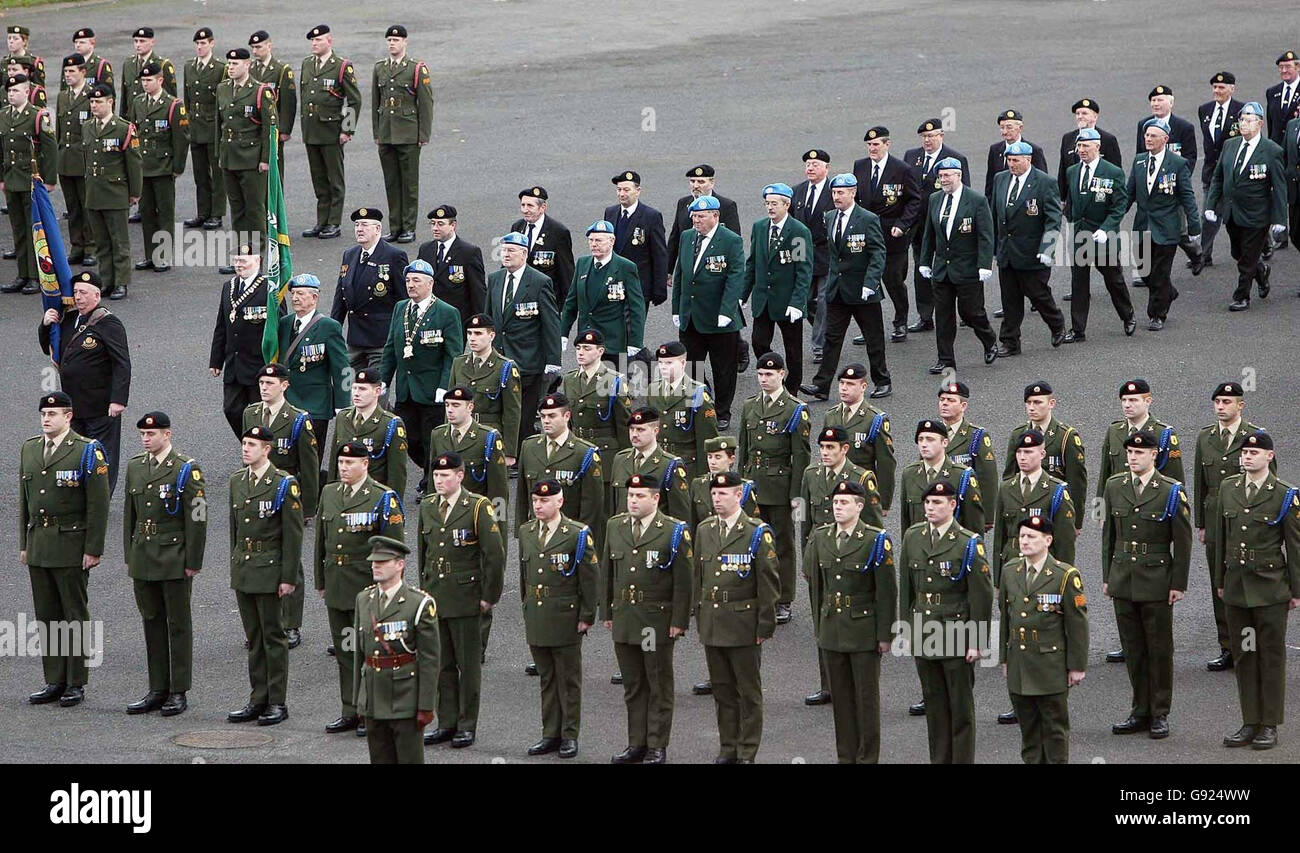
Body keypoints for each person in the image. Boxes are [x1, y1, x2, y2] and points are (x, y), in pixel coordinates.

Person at [20, 392, 110, 708]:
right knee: (47, 616)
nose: (47, 419)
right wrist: (24, 544)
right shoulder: (30, 449)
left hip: (71, 544)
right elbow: (25, 501)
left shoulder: (86, 452)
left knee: (73, 615)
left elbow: (99, 505)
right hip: (40, 544)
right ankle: (54, 680)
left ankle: (75, 682)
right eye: (44, 413)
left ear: (68, 417)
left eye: (53, 414)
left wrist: (93, 548)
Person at [1212, 431, 1300, 751]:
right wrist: (1220, 580)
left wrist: (1296, 590)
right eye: (1244, 452)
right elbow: (1222, 537)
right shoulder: (1228, 488)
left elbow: (1295, 546)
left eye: (1254, 452)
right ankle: (1249, 720)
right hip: (1237, 588)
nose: (1247, 456)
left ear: (1270, 457)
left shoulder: (1284, 495)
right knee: (1245, 656)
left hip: (1270, 589)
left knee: (1271, 657)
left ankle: (1269, 724)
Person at [1102, 429, 1192, 740]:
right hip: (1123, 578)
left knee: (1159, 648)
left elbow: (1182, 541)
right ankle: (1139, 709)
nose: (1133, 457)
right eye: (1129, 453)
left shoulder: (1169, 490)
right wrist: (1107, 577)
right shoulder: (1115, 486)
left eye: (1139, 453)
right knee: (1134, 648)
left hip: (1156, 578)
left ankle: (1160, 712)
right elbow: (1109, 538)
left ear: (1154, 455)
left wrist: (1178, 583)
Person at [600, 473, 693, 764]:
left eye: (640, 496)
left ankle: (656, 744)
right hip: (625, 617)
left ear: (655, 498)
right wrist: (607, 612)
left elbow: (683, 581)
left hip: (655, 621)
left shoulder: (673, 530)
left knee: (657, 683)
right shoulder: (615, 526)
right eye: (630, 496)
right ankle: (635, 743)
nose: (633, 501)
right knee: (633, 685)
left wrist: (679, 620)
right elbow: (607, 573)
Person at [899, 480, 993, 763]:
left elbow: (981, 596)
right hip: (924, 632)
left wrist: (977, 641)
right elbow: (907, 588)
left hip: (955, 633)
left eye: (937, 503)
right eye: (927, 502)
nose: (930, 508)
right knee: (935, 707)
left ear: (952, 505)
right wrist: (905, 629)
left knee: (960, 709)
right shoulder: (913, 537)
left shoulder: (967, 543)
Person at [315, 441, 405, 736]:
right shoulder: (329, 493)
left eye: (350, 463)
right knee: (345, 650)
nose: (343, 468)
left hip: (367, 585)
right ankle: (349, 709)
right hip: (338, 583)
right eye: (340, 462)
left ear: (365, 464)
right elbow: (321, 541)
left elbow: (392, 549)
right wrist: (321, 580)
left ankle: (372, 711)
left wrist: (387, 589)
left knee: (371, 653)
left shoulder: (381, 498)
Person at [804, 480, 895, 762]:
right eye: (835, 502)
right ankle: (846, 757)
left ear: (859, 506)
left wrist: (885, 635)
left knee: (866, 701)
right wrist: (820, 628)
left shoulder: (875, 540)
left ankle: (867, 758)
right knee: (841, 702)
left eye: (845, 502)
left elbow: (886, 591)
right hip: (833, 628)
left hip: (863, 630)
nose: (838, 507)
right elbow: (816, 587)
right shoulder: (821, 537)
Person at [418, 452, 505, 749]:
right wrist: (424, 591)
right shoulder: (428, 505)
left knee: (468, 667)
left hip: (467, 596)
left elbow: (494, 556)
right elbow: (424, 553)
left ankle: (467, 725)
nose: (439, 481)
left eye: (445, 476)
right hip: (437, 595)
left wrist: (488, 597)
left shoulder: (477, 507)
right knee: (442, 664)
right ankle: (446, 721)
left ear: (460, 476)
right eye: (436, 476)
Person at [122, 411, 205, 718]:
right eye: (143, 435)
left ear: (167, 435)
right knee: (151, 621)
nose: (146, 439)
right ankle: (157, 688)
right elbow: (130, 515)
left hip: (174, 555)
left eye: (152, 435)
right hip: (144, 554)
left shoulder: (185, 470)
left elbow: (197, 517)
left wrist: (193, 560)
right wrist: (130, 554)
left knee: (177, 624)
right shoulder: (135, 466)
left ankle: (178, 690)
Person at [694, 471, 780, 763]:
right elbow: (699, 577)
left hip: (744, 622)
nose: (717, 499)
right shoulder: (705, 529)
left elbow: (768, 583)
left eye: (723, 494)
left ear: (739, 495)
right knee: (722, 690)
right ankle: (728, 746)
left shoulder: (756, 532)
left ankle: (746, 750)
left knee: (747, 692)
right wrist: (699, 615)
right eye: (714, 494)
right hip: (713, 621)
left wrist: (765, 624)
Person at [798, 426, 883, 705]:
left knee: (851, 616)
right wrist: (806, 557)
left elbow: (873, 527)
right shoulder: (810, 475)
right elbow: (806, 521)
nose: (824, 453)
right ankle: (829, 684)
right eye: (822, 447)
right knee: (823, 618)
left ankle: (854, 682)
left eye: (831, 448)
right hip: (820, 554)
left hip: (851, 559)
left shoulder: (860, 478)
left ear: (845, 449)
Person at [226, 425, 305, 727]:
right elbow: (235, 529)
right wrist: (235, 566)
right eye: (244, 443)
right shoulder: (237, 481)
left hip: (271, 570)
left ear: (267, 449)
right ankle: (257, 698)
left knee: (274, 637)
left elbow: (292, 535)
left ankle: (276, 701)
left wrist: (288, 578)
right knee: (254, 637)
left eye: (252, 445)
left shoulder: (283, 484)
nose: (245, 449)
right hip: (246, 569)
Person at [998, 515, 1088, 763]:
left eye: (1031, 537)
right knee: (1029, 733)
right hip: (1020, 664)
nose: (1024, 542)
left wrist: (1077, 666)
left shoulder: (1065, 576)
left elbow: (1077, 624)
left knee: (1054, 731)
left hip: (1051, 665)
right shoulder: (1009, 571)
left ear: (1047, 540)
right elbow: (1006, 617)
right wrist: (1004, 658)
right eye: (1022, 536)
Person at [242, 364, 319, 650]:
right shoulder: (251, 413)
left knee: (289, 560)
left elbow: (309, 465)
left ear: (284, 386)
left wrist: (309, 506)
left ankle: (290, 624)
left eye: (270, 383)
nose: (264, 387)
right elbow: (247, 457)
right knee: (259, 557)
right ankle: (264, 624)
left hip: (287, 493)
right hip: (257, 494)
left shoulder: (298, 419)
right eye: (261, 382)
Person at [520, 479, 598, 759]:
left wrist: (587, 615)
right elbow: (524, 576)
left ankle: (569, 734)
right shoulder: (527, 531)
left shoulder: (576, 534)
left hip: (565, 615)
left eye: (544, 501)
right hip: (538, 615)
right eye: (535, 501)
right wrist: (526, 606)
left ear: (559, 502)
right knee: (546, 678)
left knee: (568, 679)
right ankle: (550, 733)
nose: (538, 506)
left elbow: (589, 579)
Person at [1193, 382, 1269, 672]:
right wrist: (1201, 523)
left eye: (1227, 401)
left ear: (1240, 405)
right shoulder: (1205, 437)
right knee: (1219, 585)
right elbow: (1201, 482)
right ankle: (1228, 647)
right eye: (1218, 402)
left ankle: (1251, 646)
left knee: (1249, 583)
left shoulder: (1255, 437)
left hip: (1247, 523)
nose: (1221, 406)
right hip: (1215, 521)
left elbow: (1268, 486)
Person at [801, 173, 891, 400]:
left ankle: (882, 381)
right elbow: (835, 254)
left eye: (841, 192)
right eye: (834, 192)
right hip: (838, 290)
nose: (836, 196)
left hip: (863, 291)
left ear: (853, 192)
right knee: (832, 340)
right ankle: (821, 386)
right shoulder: (830, 216)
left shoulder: (867, 218)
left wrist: (871, 283)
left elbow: (877, 252)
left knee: (874, 339)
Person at [39, 271, 131, 494]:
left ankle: (101, 499)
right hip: (73, 405)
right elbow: (49, 348)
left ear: (97, 295)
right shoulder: (69, 320)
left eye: (83, 292)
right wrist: (45, 326)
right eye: (76, 292)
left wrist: (118, 400)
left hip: (100, 405)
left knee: (101, 456)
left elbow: (122, 364)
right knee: (76, 453)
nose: (78, 297)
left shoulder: (109, 324)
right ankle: (80, 497)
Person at [378, 259, 465, 495]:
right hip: (406, 389)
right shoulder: (400, 308)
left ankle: (431, 484)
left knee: (431, 440)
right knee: (410, 439)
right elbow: (390, 348)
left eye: (416, 280)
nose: (411, 285)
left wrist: (444, 386)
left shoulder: (447, 313)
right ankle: (430, 473)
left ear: (430, 283)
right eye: (408, 280)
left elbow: (453, 354)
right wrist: (383, 380)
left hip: (432, 389)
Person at [353, 535, 438, 764]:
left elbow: (430, 660)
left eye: (382, 562)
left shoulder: (418, 604)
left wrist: (426, 706)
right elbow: (360, 656)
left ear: (400, 565)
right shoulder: (364, 599)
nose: (375, 566)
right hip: (374, 696)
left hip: (405, 698)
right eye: (373, 562)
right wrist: (359, 700)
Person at [739, 353, 811, 626]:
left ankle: (783, 599)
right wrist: (741, 485)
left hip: (780, 486)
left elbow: (801, 455)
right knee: (754, 542)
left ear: (782, 374)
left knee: (781, 544)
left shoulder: (794, 409)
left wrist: (797, 494)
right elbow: (743, 447)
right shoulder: (750, 406)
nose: (763, 379)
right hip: (755, 484)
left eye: (769, 374)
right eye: (760, 374)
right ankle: (760, 594)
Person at [917, 158, 999, 372]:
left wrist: (985, 264)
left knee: (972, 313)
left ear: (958, 175)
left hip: (968, 268)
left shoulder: (976, 200)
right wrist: (925, 261)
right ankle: (945, 359)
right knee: (943, 317)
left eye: (947, 175)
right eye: (941, 176)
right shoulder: (935, 199)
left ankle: (989, 340)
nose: (943, 179)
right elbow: (929, 233)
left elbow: (986, 236)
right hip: (942, 270)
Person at [1205, 102, 1287, 311]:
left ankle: (1242, 296)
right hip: (1232, 212)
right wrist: (1211, 205)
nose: (1244, 124)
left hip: (1257, 214)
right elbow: (1218, 177)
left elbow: (1278, 187)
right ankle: (1261, 272)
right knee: (1238, 253)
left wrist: (1279, 220)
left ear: (1259, 123)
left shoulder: (1271, 150)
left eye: (1249, 120)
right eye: (1242, 120)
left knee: (1247, 258)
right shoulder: (1230, 145)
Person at [672, 194, 746, 428]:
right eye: (694, 216)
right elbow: (681, 274)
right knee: (693, 366)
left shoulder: (730, 240)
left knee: (724, 368)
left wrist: (727, 310)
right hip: (691, 316)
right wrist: (677, 308)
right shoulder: (687, 237)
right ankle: (702, 403)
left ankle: (723, 412)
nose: (696, 221)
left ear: (715, 216)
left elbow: (735, 277)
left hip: (719, 318)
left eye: (701, 216)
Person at [991, 141, 1066, 354]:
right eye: (1008, 160)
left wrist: (1048, 248)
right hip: (1007, 250)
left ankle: (1057, 324)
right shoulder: (1001, 179)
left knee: (1037, 294)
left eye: (1015, 160)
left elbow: (1053, 218)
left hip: (1033, 251)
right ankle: (1010, 341)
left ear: (1028, 159)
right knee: (1010, 298)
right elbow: (995, 214)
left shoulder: (1045, 182)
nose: (1011, 164)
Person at [486, 231, 561, 443]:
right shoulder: (495, 279)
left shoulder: (539, 281)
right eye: (503, 250)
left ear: (524, 253)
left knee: (523, 416)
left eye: (511, 250)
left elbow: (551, 324)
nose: (505, 254)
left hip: (528, 361)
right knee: (500, 411)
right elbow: (489, 319)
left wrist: (553, 361)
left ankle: (520, 456)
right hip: (499, 359)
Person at [1126, 118, 1201, 330]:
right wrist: (1113, 216)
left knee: (1160, 273)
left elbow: (1187, 196)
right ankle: (1168, 292)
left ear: (1165, 139)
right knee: (1143, 269)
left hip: (1167, 227)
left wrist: (1194, 226)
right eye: (1146, 135)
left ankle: (1157, 314)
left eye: (1153, 136)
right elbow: (1129, 192)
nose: (1148, 139)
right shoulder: (1139, 161)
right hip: (1143, 226)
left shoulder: (1177, 164)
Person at [1062, 127, 1134, 342]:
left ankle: (1128, 316)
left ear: (1097, 146)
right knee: (1079, 284)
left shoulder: (1112, 172)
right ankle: (1078, 329)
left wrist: (1106, 228)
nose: (1081, 150)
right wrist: (1072, 221)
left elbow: (1119, 206)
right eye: (1079, 146)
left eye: (1085, 145)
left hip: (1104, 236)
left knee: (1114, 280)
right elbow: (1072, 201)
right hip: (1080, 237)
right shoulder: (1073, 171)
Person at [853, 127, 922, 340]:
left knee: (893, 280)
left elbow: (914, 200)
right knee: (866, 281)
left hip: (893, 236)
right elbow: (855, 197)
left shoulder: (902, 169)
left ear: (887, 144)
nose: (872, 149)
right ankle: (870, 329)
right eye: (869, 145)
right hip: (867, 235)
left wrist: (903, 225)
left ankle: (900, 322)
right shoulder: (860, 166)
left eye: (876, 144)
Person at [743, 183, 812, 391]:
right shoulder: (760, 227)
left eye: (774, 203)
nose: (770, 208)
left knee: (793, 349)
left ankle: (792, 387)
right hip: (764, 300)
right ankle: (774, 375)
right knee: (758, 342)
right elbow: (753, 263)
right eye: (767, 203)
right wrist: (742, 294)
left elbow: (803, 270)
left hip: (787, 301)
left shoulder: (798, 231)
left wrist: (797, 303)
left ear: (787, 204)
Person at [516, 392, 606, 552]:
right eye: (543, 416)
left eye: (552, 416)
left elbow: (592, 506)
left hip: (569, 536)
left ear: (566, 416)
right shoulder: (529, 447)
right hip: (537, 534)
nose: (546, 421)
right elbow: (522, 495)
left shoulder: (584, 453)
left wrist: (583, 538)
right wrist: (522, 530)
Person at [903, 120, 970, 334]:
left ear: (942, 136)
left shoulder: (956, 159)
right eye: (924, 137)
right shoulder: (912, 157)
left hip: (945, 225)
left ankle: (966, 313)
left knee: (954, 269)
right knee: (921, 269)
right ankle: (925, 316)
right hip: (919, 225)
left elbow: (965, 196)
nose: (927, 140)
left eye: (931, 136)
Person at [210, 245, 281, 439]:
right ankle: (250, 442)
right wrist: (216, 360)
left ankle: (260, 448)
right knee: (231, 409)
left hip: (258, 363)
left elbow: (279, 327)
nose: (238, 265)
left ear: (257, 261)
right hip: (234, 363)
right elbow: (222, 325)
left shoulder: (269, 288)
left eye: (243, 261)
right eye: (236, 260)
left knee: (260, 413)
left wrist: (277, 362)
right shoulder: (229, 286)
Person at [991, 430, 1077, 586]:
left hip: (1045, 571)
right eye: (1019, 452)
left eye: (1029, 452)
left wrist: (1064, 580)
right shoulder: (1006, 488)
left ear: (1042, 453)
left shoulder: (1055, 491)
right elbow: (1000, 538)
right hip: (1012, 568)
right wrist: (998, 580)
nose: (1022, 457)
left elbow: (1065, 542)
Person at [299, 25, 361, 240]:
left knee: (334, 179)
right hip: (312, 131)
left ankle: (333, 222)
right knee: (319, 180)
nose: (315, 44)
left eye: (319, 40)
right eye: (313, 41)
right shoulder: (307, 64)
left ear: (329, 41)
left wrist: (348, 129)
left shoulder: (342, 66)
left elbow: (354, 100)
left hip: (331, 130)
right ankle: (321, 221)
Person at [372, 25, 431, 243]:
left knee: (409, 183)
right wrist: (377, 132)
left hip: (408, 133)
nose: (392, 44)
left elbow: (425, 103)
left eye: (396, 40)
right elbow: (376, 102)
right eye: (389, 40)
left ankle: (408, 227)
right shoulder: (380, 68)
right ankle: (395, 226)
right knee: (392, 182)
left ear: (405, 42)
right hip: (387, 133)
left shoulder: (415, 69)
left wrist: (423, 133)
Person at [215, 47, 276, 259]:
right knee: (237, 208)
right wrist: (219, 154)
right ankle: (241, 254)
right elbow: (219, 125)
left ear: (247, 65)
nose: (231, 68)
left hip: (251, 159)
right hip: (229, 157)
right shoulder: (223, 89)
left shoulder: (260, 91)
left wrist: (266, 159)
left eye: (235, 64)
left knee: (255, 208)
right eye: (229, 64)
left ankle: (257, 254)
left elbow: (269, 128)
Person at [81, 82, 140, 299]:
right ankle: (106, 280)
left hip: (115, 193)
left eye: (98, 102)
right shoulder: (87, 127)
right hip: (94, 192)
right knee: (102, 242)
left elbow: (134, 163)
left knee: (119, 241)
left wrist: (134, 193)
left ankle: (121, 282)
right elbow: (86, 160)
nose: (94, 106)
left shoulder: (123, 128)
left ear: (110, 102)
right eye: (92, 102)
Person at [332, 207, 410, 370]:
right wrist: (333, 329)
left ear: (378, 229)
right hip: (355, 340)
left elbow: (404, 299)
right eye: (357, 225)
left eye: (365, 225)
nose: (359, 229)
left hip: (380, 339)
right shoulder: (350, 254)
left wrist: (403, 335)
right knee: (354, 390)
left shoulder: (394, 256)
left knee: (374, 390)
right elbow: (341, 296)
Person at [1, 72, 56, 294]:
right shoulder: (4, 115)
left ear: (27, 92)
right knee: (18, 229)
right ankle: (22, 274)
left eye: (16, 91)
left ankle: (36, 275)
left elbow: (50, 149)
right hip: (12, 179)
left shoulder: (38, 116)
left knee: (34, 229)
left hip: (31, 180)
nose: (12, 94)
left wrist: (49, 179)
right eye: (9, 91)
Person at [131, 61, 189, 272]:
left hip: (163, 166)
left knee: (164, 212)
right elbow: (134, 133)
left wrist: (177, 167)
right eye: (143, 80)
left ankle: (163, 256)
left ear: (160, 80)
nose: (145, 84)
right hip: (143, 167)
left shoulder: (172, 104)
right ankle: (150, 254)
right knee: (146, 212)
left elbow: (181, 139)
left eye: (149, 80)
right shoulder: (138, 102)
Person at [278, 273, 348, 441]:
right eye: (293, 293)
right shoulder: (285, 323)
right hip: (287, 402)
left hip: (315, 404)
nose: (295, 298)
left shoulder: (328, 327)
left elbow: (343, 369)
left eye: (301, 294)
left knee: (312, 458)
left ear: (314, 297)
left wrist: (343, 405)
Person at [561, 221, 645, 358]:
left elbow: (636, 308)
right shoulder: (583, 263)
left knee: (612, 379)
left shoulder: (626, 267)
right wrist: (562, 333)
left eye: (598, 240)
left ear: (612, 241)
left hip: (613, 344)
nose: (594, 244)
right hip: (586, 342)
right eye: (591, 240)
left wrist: (635, 342)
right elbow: (571, 302)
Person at [448, 314, 522, 468]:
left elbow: (512, 412)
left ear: (492, 336)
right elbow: (450, 405)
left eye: (478, 333)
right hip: (461, 433)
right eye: (469, 333)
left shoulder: (505, 367)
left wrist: (509, 451)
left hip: (490, 436)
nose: (472, 338)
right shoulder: (459, 363)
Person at [821, 363, 896, 512]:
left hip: (861, 492)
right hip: (833, 491)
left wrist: (884, 501)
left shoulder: (874, 420)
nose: (844, 388)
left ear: (863, 387)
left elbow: (885, 463)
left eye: (850, 384)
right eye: (841, 383)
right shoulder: (830, 416)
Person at [328, 368, 408, 500]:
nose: (356, 394)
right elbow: (333, 461)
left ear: (377, 391)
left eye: (363, 389)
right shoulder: (343, 417)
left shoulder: (390, 424)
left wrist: (392, 504)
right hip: (343, 495)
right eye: (354, 388)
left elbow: (397, 473)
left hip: (372, 498)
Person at [1003, 382, 1087, 506]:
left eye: (1037, 402)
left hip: (1055, 507)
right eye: (1028, 402)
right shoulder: (1018, 434)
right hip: (1023, 506)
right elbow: (1010, 476)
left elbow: (1076, 483)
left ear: (1051, 403)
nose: (1031, 407)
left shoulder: (1066, 437)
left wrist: (1076, 521)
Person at [606, 406, 692, 524]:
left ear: (655, 431)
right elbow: (613, 508)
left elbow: (680, 515)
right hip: (624, 535)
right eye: (632, 429)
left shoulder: (670, 465)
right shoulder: (620, 459)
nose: (634, 434)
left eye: (640, 430)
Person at [646, 341, 718, 477]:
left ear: (683, 363)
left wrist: (704, 476)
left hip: (686, 466)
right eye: (661, 363)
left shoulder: (697, 393)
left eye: (669, 363)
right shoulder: (653, 390)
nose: (663, 368)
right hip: (658, 463)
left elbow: (707, 438)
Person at [1195, 73, 1244, 265]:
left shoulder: (1241, 110)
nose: (1217, 91)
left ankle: (1264, 244)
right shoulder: (1204, 110)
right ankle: (1204, 255)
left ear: (1232, 88)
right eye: (1215, 87)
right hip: (1211, 172)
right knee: (1209, 212)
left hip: (1234, 174)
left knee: (1241, 213)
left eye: (1221, 87)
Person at [790, 150, 834, 360]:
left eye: (815, 164)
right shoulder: (797, 191)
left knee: (824, 298)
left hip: (826, 251)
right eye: (808, 164)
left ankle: (820, 345)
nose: (810, 168)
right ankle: (826, 327)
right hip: (801, 250)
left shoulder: (835, 191)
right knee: (804, 299)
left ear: (827, 168)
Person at [561, 328, 632, 457]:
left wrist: (625, 458)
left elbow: (623, 424)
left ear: (600, 351)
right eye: (578, 348)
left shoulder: (614, 381)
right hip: (576, 450)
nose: (580, 353)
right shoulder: (569, 380)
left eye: (587, 348)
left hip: (604, 452)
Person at [604, 170, 669, 311]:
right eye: (619, 189)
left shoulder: (651, 216)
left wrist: (659, 288)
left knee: (632, 330)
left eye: (626, 190)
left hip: (638, 287)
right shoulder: (610, 212)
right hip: (613, 285)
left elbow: (659, 254)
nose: (621, 194)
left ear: (638, 191)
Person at [418, 205, 486, 337]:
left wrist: (479, 323)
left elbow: (478, 291)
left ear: (453, 225)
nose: (435, 228)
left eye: (440, 224)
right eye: (432, 224)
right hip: (429, 319)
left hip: (456, 321)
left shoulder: (469, 252)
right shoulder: (425, 249)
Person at [181, 28, 225, 232]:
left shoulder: (219, 68)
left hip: (212, 127)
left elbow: (222, 100)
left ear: (212, 44)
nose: (200, 47)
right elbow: (188, 99)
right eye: (197, 44)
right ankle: (203, 212)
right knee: (200, 174)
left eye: (203, 44)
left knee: (217, 173)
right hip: (196, 128)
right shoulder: (190, 67)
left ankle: (216, 213)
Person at [56, 55, 97, 268]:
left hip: (83, 160)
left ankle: (91, 246)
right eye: (66, 72)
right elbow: (60, 130)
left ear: (83, 71)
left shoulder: (92, 96)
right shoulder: (63, 97)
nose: (68, 76)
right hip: (66, 159)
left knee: (86, 205)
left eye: (72, 72)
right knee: (72, 207)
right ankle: (76, 246)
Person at [512, 185, 576, 307]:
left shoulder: (558, 232)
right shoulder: (517, 228)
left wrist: (565, 310)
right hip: (521, 303)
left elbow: (566, 274)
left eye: (530, 206)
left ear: (543, 208)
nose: (525, 210)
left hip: (546, 302)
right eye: (523, 205)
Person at [248, 30, 296, 178]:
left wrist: (285, 130)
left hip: (273, 128)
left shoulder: (281, 70)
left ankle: (275, 201)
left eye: (258, 47)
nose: (255, 51)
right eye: (253, 48)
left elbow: (288, 102)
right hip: (253, 128)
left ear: (269, 46)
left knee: (274, 173)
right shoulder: (249, 69)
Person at [1056, 97, 1122, 200]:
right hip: (1073, 199)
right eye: (1077, 114)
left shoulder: (1107, 139)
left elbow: (1116, 172)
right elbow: (1063, 171)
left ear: (1095, 117)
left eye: (1084, 113)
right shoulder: (1068, 138)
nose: (1080, 117)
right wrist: (1061, 199)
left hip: (1098, 199)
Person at [984, 109, 1049, 199]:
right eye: (1002, 127)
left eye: (1009, 127)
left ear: (1020, 128)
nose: (1004, 131)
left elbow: (1042, 181)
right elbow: (990, 184)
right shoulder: (995, 150)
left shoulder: (1033, 150)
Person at [119, 27, 175, 115]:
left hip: (154, 117)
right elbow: (124, 97)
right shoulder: (128, 64)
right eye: (136, 41)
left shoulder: (162, 65)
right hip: (132, 119)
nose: (138, 45)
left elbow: (171, 98)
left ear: (152, 42)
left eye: (142, 41)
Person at [1265, 50, 1300, 146]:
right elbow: (1271, 125)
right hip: (1277, 149)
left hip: (1295, 149)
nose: (1284, 70)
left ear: (1297, 67)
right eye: (1281, 67)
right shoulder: (1272, 92)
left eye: (1288, 67)